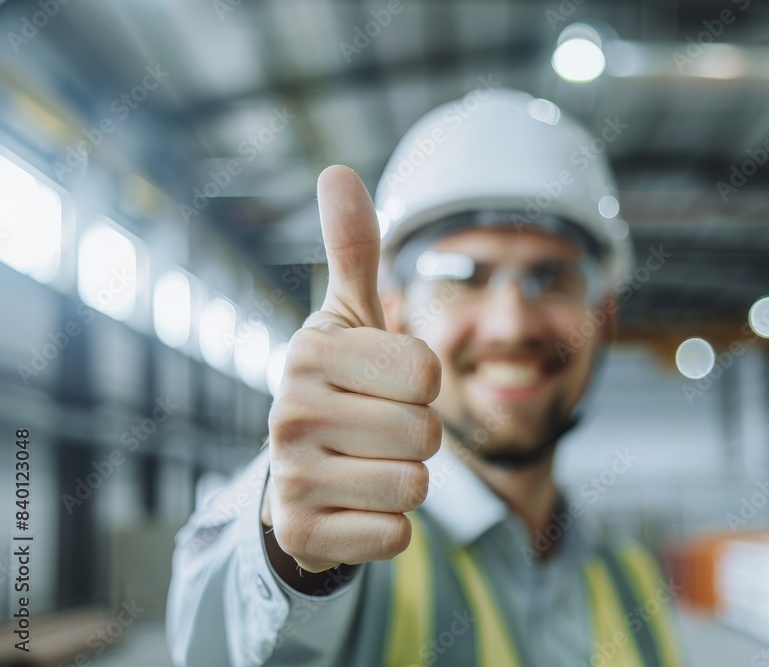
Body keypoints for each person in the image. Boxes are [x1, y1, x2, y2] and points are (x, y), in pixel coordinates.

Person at [166, 88, 683, 667]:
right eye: (462, 277)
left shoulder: (632, 578)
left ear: (604, 318)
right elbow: (224, 638)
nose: (510, 325)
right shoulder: (357, 558)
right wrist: (288, 550)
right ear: (398, 312)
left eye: (553, 276)